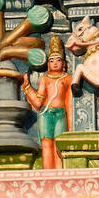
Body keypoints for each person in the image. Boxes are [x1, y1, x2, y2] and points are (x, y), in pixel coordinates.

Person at [21, 35, 74, 169]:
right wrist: (27, 87)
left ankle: (59, 172)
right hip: (46, 113)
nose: (55, 63)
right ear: (48, 64)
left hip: (60, 113)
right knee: (46, 144)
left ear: (64, 64)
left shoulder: (67, 78)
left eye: (58, 60)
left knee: (59, 144)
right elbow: (38, 103)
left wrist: (71, 123)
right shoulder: (45, 79)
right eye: (51, 60)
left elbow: (70, 102)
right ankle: (48, 172)